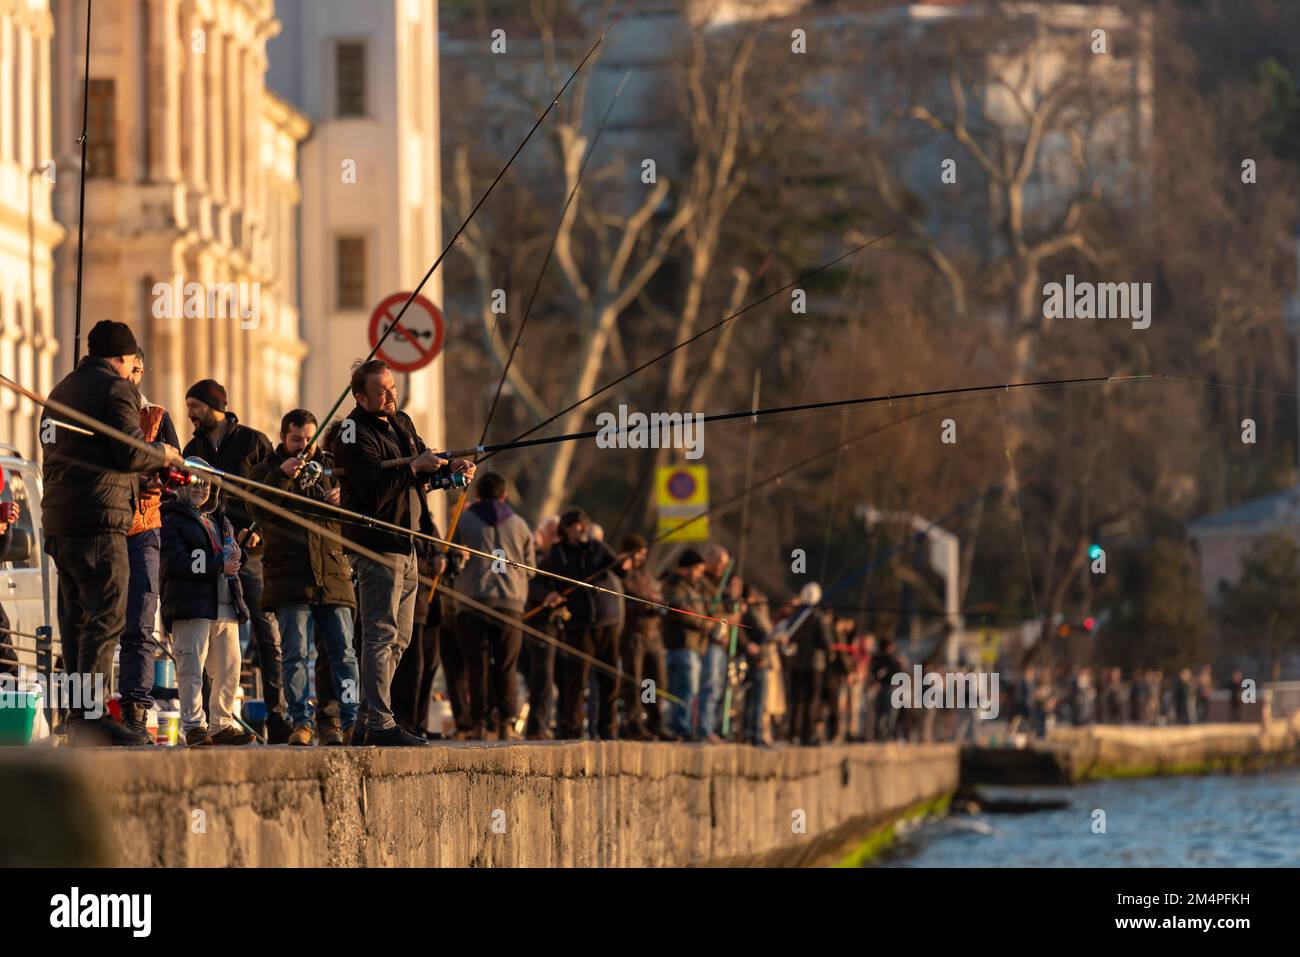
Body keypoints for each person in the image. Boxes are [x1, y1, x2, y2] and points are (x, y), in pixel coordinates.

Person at [41, 320, 184, 746]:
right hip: (100, 519)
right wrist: (164, 454)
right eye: (132, 363)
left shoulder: (61, 391)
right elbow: (128, 448)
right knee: (105, 616)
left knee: (76, 621)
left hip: (60, 521)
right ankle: (92, 716)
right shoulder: (116, 389)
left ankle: (78, 716)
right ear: (123, 357)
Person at [333, 359, 474, 746]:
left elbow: (426, 473)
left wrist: (450, 471)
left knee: (401, 638)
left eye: (392, 387)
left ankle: (367, 718)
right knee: (380, 633)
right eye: (382, 391)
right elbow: (373, 490)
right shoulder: (350, 432)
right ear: (360, 397)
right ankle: (380, 722)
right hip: (375, 543)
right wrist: (413, 469)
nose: (391, 395)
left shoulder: (403, 423)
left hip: (407, 542)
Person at [182, 378, 290, 743]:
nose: (190, 414)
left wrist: (259, 529)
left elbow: (273, 494)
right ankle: (215, 720)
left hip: (252, 551)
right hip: (212, 554)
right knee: (213, 636)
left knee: (266, 632)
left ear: (216, 406)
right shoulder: (191, 448)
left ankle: (278, 715)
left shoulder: (253, 442)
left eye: (195, 406)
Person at [249, 409, 360, 746]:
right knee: (295, 654)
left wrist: (343, 501)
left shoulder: (331, 467)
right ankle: (301, 721)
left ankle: (351, 717)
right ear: (284, 437)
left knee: (344, 652)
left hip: (331, 573)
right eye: (296, 439)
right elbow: (257, 510)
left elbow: (356, 516)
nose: (303, 446)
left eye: (308, 438)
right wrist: (281, 477)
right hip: (289, 576)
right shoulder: (265, 470)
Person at [160, 458, 254, 746]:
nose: (203, 488)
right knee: (191, 666)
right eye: (196, 482)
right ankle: (193, 725)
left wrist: (239, 555)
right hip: (191, 605)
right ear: (181, 484)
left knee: (230, 666)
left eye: (207, 483)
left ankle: (221, 723)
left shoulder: (219, 519)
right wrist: (219, 566)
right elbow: (177, 562)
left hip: (225, 604)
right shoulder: (171, 519)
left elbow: (226, 557)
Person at [118, 348, 182, 739]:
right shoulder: (97, 413)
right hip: (105, 527)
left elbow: (177, 471)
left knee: (141, 621)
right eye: (128, 369)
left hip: (144, 526)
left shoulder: (156, 416)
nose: (133, 377)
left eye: (139, 369)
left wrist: (161, 480)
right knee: (99, 623)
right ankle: (89, 712)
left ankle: (136, 710)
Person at [451, 471, 534, 740]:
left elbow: (451, 560)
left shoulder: (462, 520)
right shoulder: (520, 524)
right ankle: (506, 723)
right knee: (507, 665)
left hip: (471, 603)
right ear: (504, 495)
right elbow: (531, 568)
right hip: (511, 603)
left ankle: (478, 722)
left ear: (477, 495)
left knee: (477, 666)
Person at [539, 509, 623, 739]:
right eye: (577, 525)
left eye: (584, 525)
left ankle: (607, 729)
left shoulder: (597, 547)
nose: (582, 529)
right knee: (576, 680)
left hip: (607, 619)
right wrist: (551, 595)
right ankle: (573, 728)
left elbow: (618, 569)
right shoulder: (557, 554)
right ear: (566, 529)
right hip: (578, 623)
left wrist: (624, 562)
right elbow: (541, 580)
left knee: (609, 678)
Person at [617, 533, 671, 741]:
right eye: (640, 552)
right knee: (634, 681)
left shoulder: (647, 574)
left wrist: (658, 604)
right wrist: (644, 604)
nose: (643, 556)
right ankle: (633, 722)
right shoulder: (623, 575)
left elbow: (657, 595)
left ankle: (654, 722)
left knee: (654, 681)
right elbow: (621, 603)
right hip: (633, 635)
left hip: (653, 635)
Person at [661, 549, 711, 740]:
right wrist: (703, 622)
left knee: (686, 689)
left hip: (693, 646)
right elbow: (680, 610)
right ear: (688, 568)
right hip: (681, 645)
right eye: (698, 569)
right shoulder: (675, 584)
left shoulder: (695, 586)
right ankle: (680, 727)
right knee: (685, 689)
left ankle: (680, 725)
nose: (700, 574)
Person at [522, 516, 561, 739]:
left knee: (547, 678)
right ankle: (536, 727)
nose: (555, 539)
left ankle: (546, 723)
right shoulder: (535, 556)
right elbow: (528, 580)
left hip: (553, 624)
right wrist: (546, 595)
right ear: (541, 535)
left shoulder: (559, 557)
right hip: (535, 624)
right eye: (551, 534)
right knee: (540, 676)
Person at [786, 583, 832, 746]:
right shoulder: (817, 616)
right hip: (814, 663)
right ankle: (807, 734)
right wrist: (829, 651)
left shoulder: (796, 615)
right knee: (812, 699)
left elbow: (788, 633)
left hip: (796, 662)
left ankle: (793, 733)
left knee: (796, 698)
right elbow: (826, 641)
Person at [697, 545, 734, 743]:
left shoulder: (723, 586)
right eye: (719, 563)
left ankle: (710, 726)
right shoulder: (703, 583)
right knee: (709, 686)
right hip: (708, 642)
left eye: (725, 564)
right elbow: (706, 612)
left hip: (721, 644)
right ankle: (704, 728)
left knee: (718, 688)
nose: (722, 567)